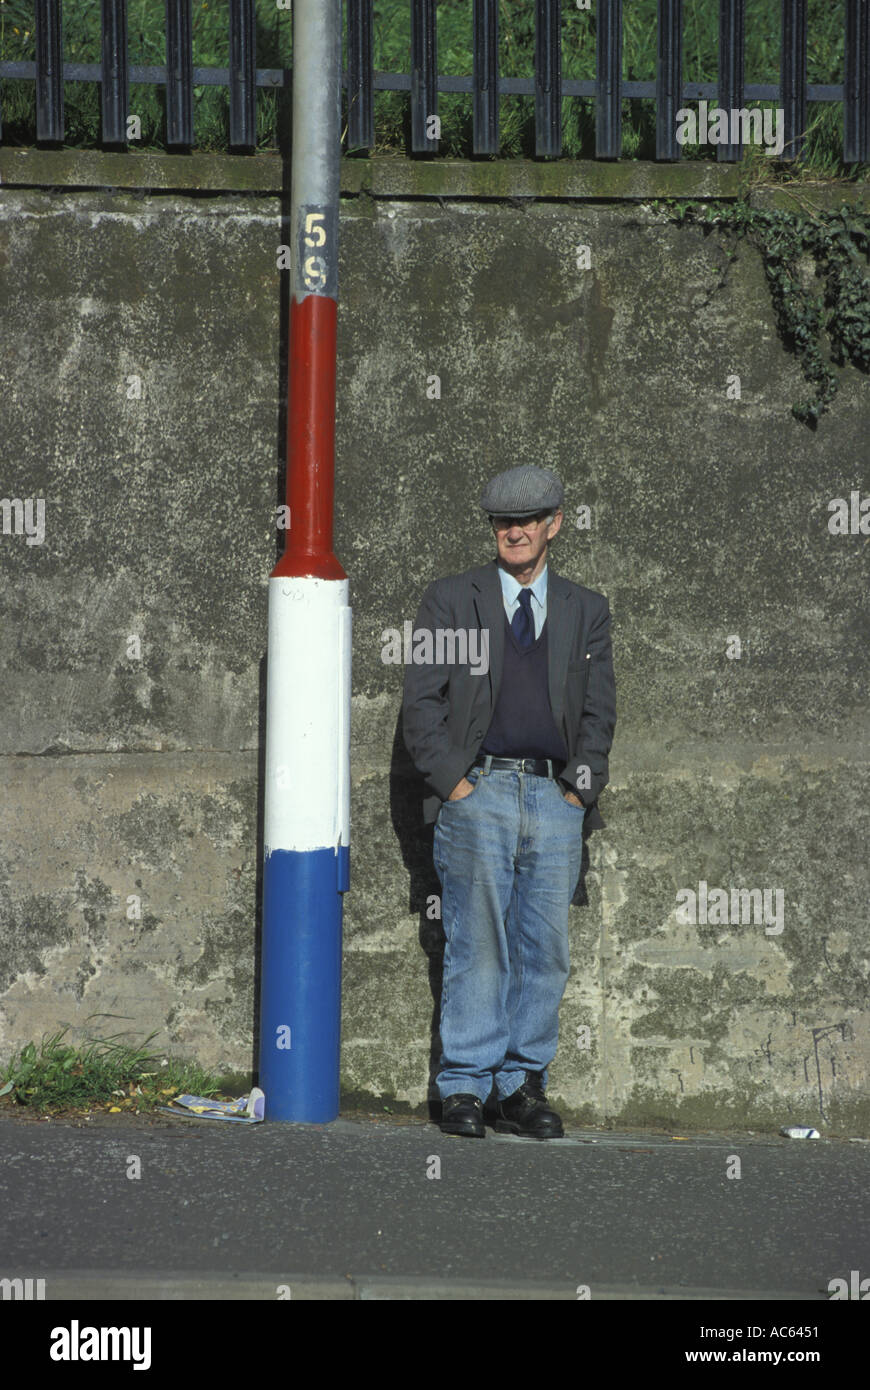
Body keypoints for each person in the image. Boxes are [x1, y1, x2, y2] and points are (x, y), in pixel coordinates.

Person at [402, 465, 616, 1138]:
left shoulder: (586, 610)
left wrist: (578, 793)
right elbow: (421, 706)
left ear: (554, 524)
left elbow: (599, 714)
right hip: (480, 793)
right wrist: (456, 789)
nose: (514, 531)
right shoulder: (451, 601)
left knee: (544, 947)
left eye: (527, 521)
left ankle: (521, 1087)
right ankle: (465, 1086)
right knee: (476, 942)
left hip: (555, 797)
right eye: (502, 522)